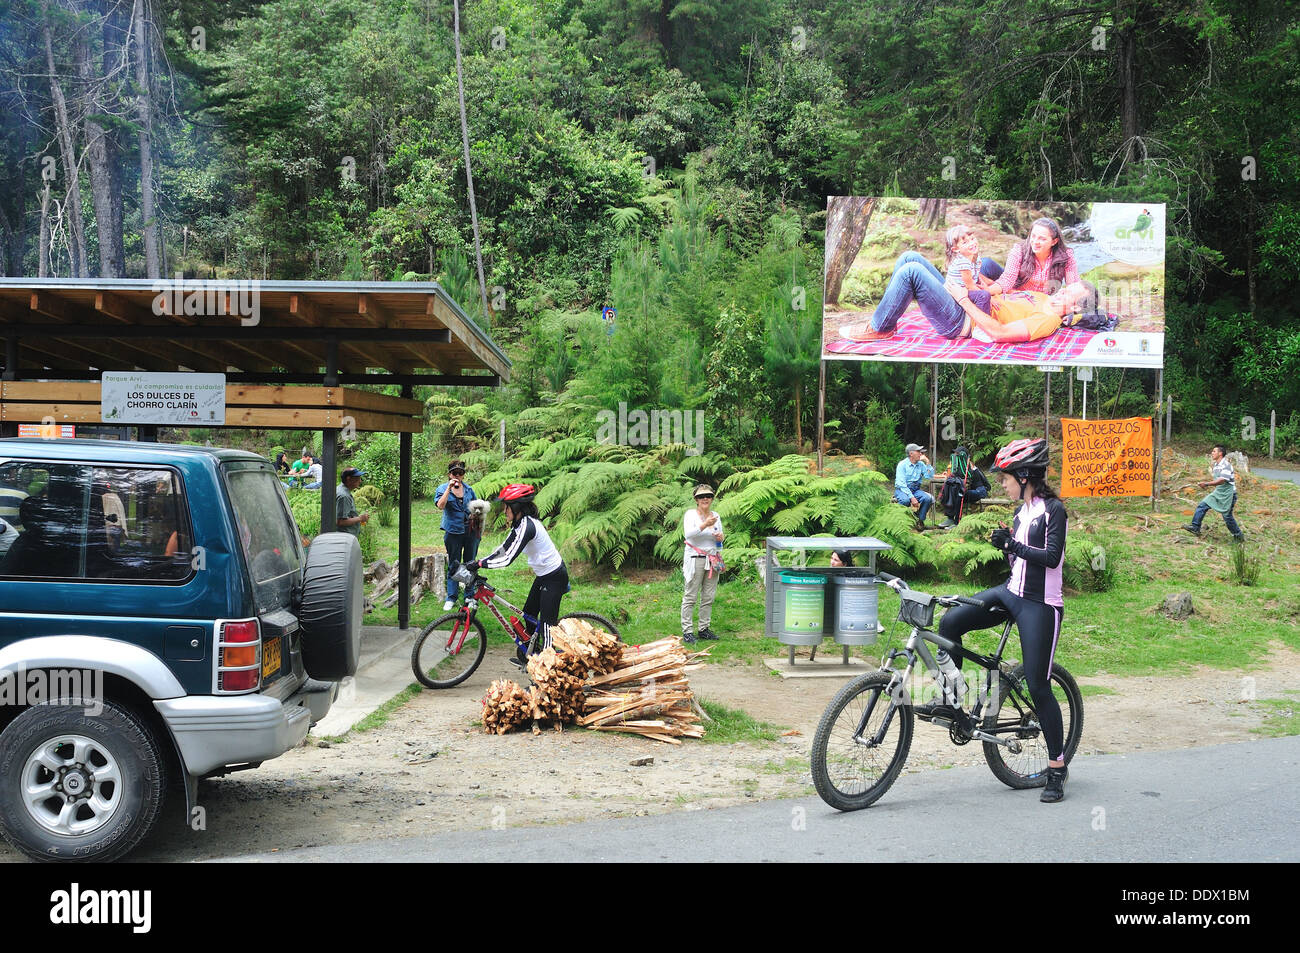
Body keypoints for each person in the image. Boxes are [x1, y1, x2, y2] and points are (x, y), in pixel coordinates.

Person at [917, 437, 1071, 803]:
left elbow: (1051, 557)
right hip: (1009, 593)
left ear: (1024, 475)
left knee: (1038, 686)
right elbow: (1017, 562)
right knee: (951, 622)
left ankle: (1056, 767)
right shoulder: (1021, 513)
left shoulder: (1054, 510)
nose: (1001, 483)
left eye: (1005, 477)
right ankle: (952, 701)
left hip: (1040, 605)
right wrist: (1006, 546)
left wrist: (1012, 545)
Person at [838, 249, 1097, 345]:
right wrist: (977, 277)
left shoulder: (1047, 319)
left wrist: (962, 299)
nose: (1060, 288)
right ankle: (887, 321)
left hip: (962, 321)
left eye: (1067, 293)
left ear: (1073, 307)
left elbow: (1000, 334)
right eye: (1065, 286)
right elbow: (1004, 291)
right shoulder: (1042, 298)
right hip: (971, 300)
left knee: (911, 273)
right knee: (909, 257)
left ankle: (879, 328)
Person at [464, 484, 566, 668]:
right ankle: (531, 656)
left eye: (506, 506)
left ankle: (547, 671)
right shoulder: (520, 525)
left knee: (547, 626)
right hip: (543, 575)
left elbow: (508, 558)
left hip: (554, 576)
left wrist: (480, 564)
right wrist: (480, 561)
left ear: (517, 506)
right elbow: (503, 549)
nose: (504, 510)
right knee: (529, 616)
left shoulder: (528, 526)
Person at [978, 217, 1080, 297]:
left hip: (1045, 299)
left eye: (1042, 239)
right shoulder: (1019, 250)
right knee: (985, 263)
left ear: (1054, 241)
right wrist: (988, 291)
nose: (1035, 242)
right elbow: (1008, 279)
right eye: (1033, 236)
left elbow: (1073, 285)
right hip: (1018, 293)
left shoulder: (1066, 256)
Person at [681, 484, 724, 644]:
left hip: (712, 558)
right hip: (695, 558)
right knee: (691, 595)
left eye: (708, 496)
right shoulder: (691, 515)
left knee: (708, 596)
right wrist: (705, 524)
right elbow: (689, 534)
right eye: (701, 496)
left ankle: (704, 629)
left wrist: (720, 537)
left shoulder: (716, 515)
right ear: (696, 500)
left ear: (712, 498)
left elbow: (719, 536)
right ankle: (687, 631)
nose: (705, 499)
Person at [436, 460, 479, 610]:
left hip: (470, 532)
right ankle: (451, 597)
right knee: (454, 563)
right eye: (455, 473)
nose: (457, 476)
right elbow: (440, 505)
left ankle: (469, 595)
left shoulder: (468, 490)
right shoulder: (442, 488)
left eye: (460, 473)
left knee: (470, 564)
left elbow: (476, 507)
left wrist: (477, 519)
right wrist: (449, 488)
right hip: (453, 531)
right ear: (449, 474)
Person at [1183, 444, 1244, 542]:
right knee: (1202, 505)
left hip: (1229, 495)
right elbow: (1217, 481)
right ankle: (1195, 527)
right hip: (1218, 492)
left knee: (1227, 516)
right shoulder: (1216, 465)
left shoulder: (1226, 465)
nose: (1212, 453)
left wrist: (1206, 484)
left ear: (1220, 453)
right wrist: (1206, 485)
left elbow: (1222, 480)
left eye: (1214, 451)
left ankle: (1238, 536)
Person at [937, 446, 989, 528]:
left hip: (980, 491)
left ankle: (957, 522)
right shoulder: (963, 468)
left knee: (959, 495)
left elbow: (975, 479)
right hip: (972, 490)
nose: (956, 455)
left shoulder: (971, 468)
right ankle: (950, 518)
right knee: (954, 492)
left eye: (957, 454)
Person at [894, 444, 935, 526]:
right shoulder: (902, 465)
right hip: (903, 490)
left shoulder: (921, 464)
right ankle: (900, 522)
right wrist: (912, 497)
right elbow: (901, 484)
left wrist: (928, 463)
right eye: (918, 451)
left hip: (915, 490)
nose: (921, 454)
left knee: (928, 498)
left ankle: (919, 519)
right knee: (905, 500)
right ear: (911, 454)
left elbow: (929, 476)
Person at [944, 226, 981, 293]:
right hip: (957, 293)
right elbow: (970, 287)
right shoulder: (963, 262)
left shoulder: (974, 255)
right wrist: (989, 295)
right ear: (955, 249)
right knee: (984, 296)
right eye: (965, 242)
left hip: (968, 289)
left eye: (972, 239)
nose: (972, 243)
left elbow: (976, 275)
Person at [336, 467, 369, 536]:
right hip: (344, 538)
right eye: (357, 478)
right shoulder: (344, 496)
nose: (360, 481)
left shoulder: (340, 489)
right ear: (349, 479)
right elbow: (340, 522)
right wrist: (360, 518)